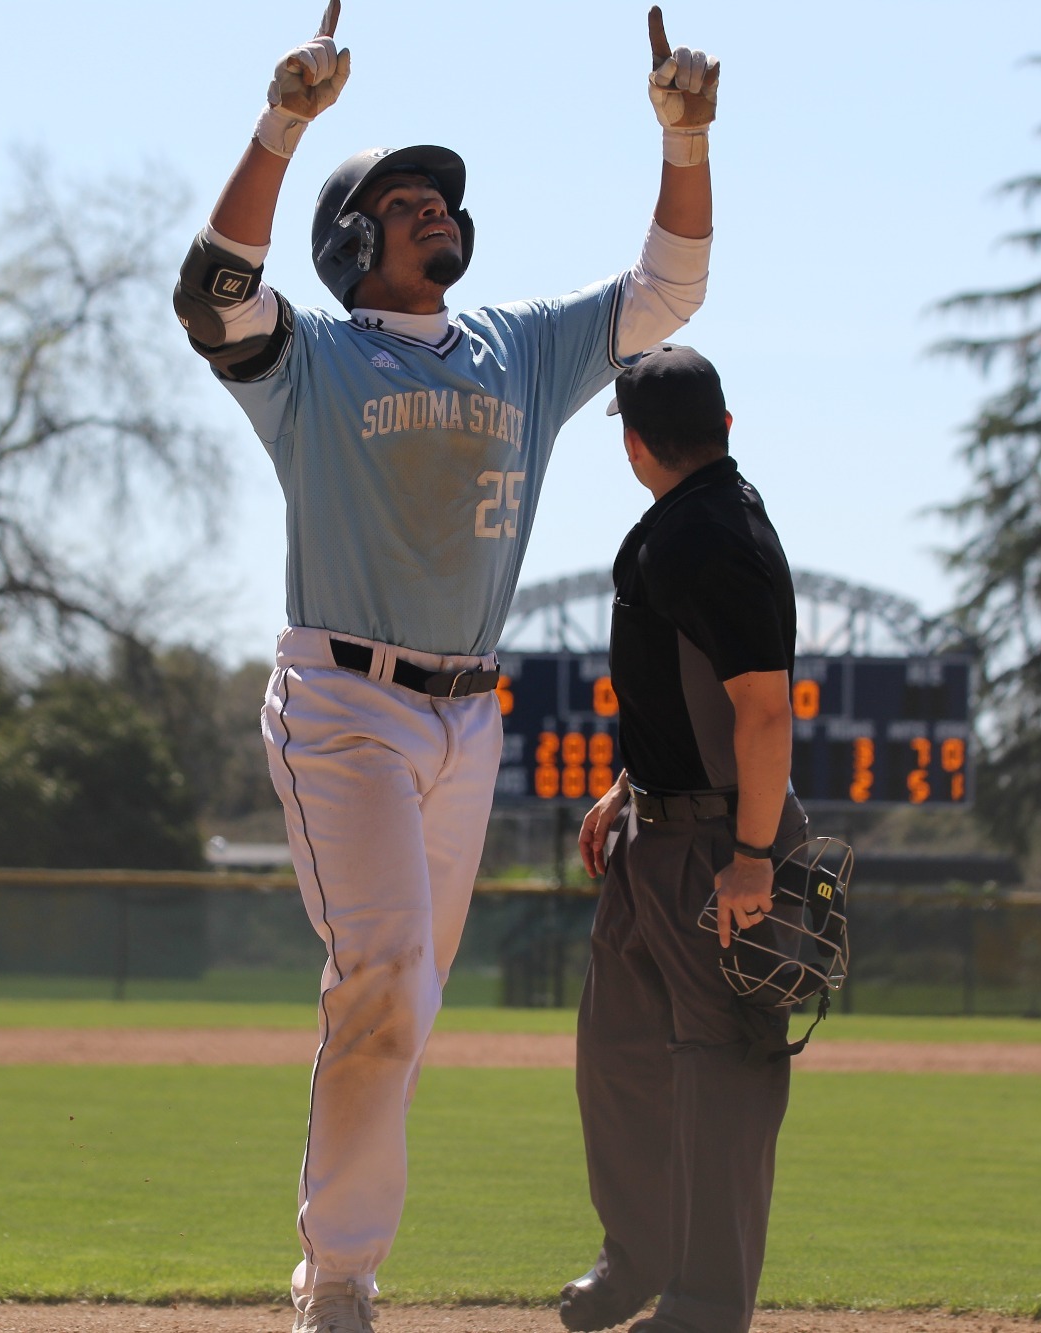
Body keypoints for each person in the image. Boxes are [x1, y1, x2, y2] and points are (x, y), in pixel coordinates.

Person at [173, 4, 723, 1329]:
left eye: (442, 201)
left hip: (467, 722)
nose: (438, 212)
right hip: (344, 704)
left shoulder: (517, 348)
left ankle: (340, 1263)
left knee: (406, 996)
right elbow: (213, 296)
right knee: (384, 972)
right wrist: (283, 126)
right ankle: (341, 1282)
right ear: (356, 237)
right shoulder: (314, 355)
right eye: (410, 201)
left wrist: (688, 141)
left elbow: (669, 292)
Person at [561, 347, 806, 1333]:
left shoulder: (715, 536)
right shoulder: (678, 527)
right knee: (616, 1057)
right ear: (724, 423)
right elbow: (682, 684)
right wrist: (623, 785)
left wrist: (751, 860)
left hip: (716, 846)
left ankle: (703, 1304)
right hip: (649, 834)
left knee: (719, 1076)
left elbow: (760, 712)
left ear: (631, 444)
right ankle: (637, 1260)